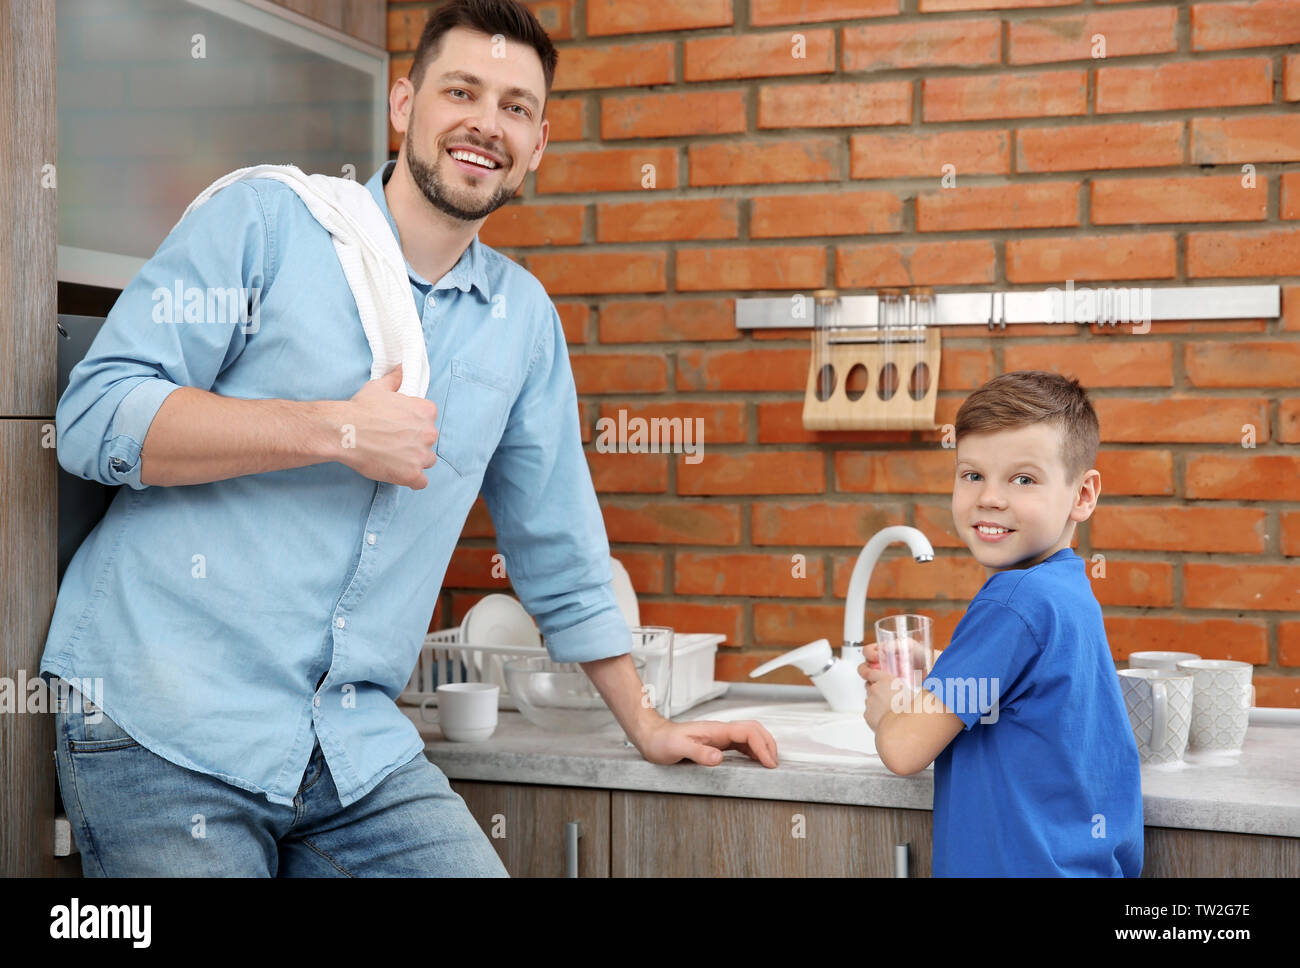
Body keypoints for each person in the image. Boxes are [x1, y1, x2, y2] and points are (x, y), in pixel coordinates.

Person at [41, 0, 775, 878]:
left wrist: (648, 721)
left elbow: (559, 549)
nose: (485, 123)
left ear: (539, 144)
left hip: (351, 747)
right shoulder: (268, 226)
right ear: (403, 106)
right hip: (164, 714)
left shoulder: (521, 321)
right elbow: (94, 418)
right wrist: (334, 428)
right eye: (461, 90)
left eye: (515, 106)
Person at [860, 370, 1143, 876]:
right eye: (972, 475)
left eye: (1023, 479)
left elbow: (905, 751)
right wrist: (944, 667)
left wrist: (889, 710)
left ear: (1083, 494)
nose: (990, 497)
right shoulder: (1066, 589)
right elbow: (1026, 694)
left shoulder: (1010, 601)